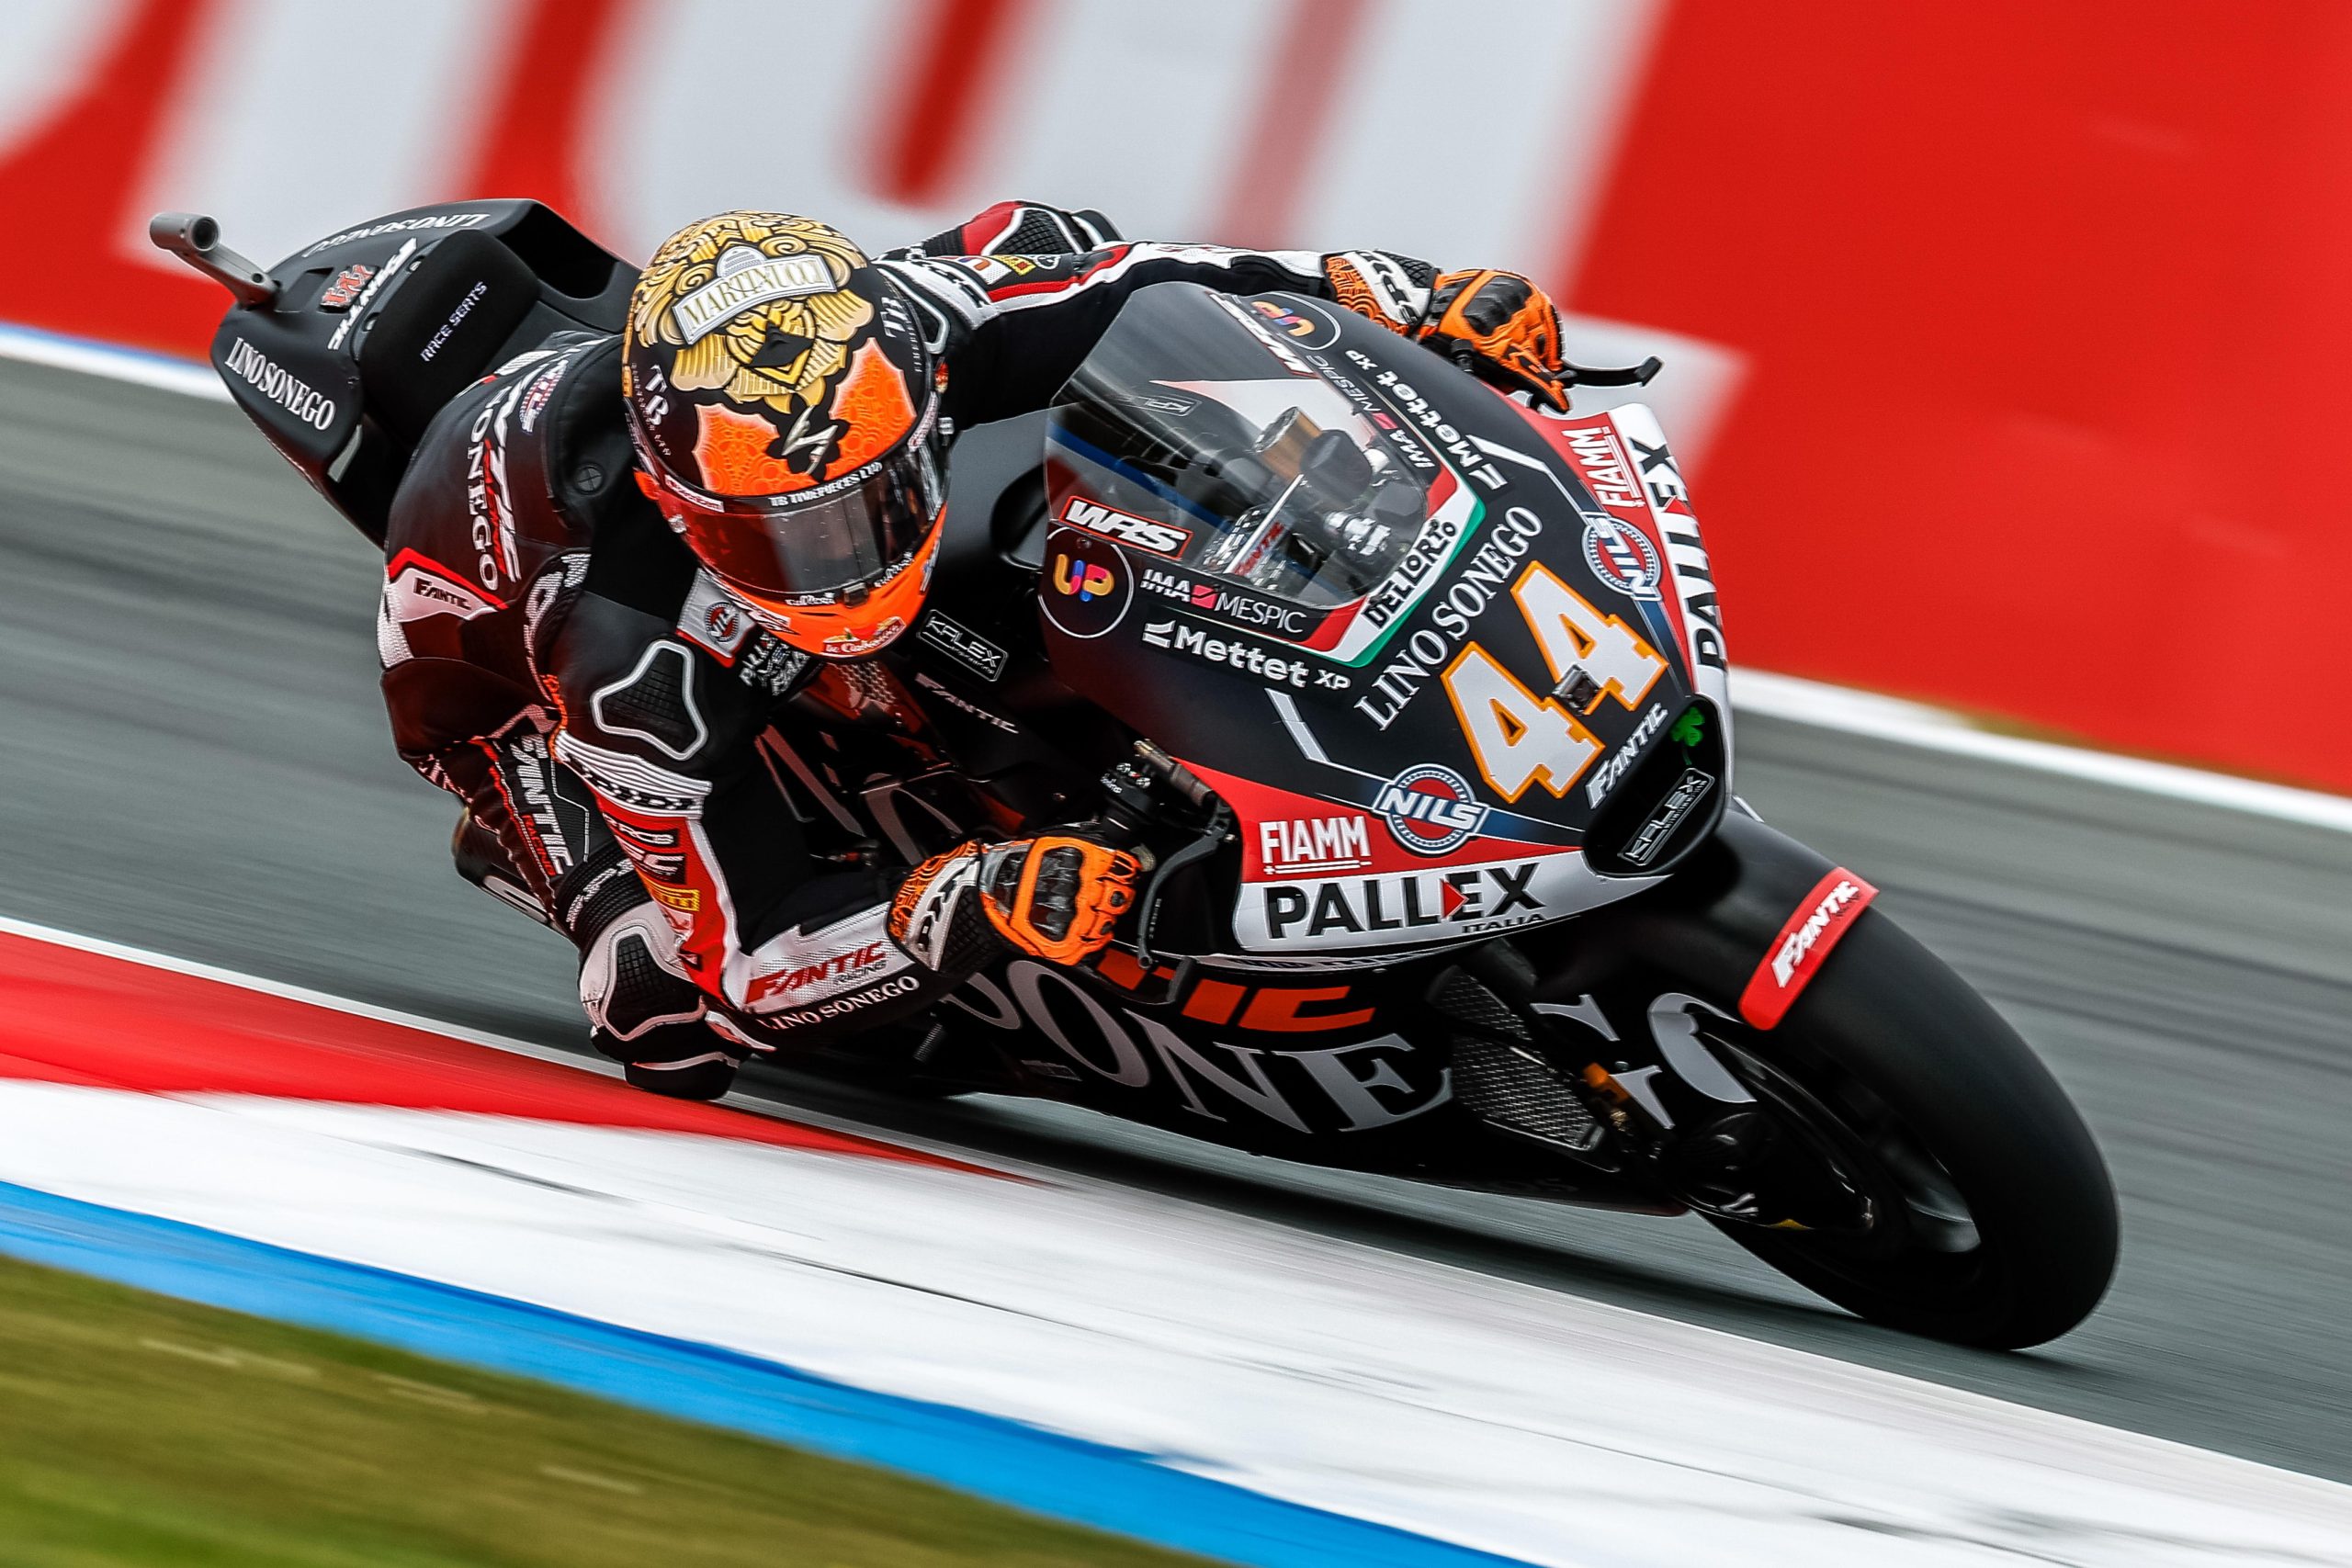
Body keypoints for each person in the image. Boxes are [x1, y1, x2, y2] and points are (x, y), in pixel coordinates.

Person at [377, 200, 1577, 1100]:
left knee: (1057, 250)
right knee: (664, 1013)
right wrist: (968, 903)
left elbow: (1165, 283)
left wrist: (1402, 294)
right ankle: (559, 857)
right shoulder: (624, 658)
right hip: (481, 673)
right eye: (789, 539)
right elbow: (749, 965)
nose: (841, 565)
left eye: (868, 505)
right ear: (684, 506)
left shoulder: (925, 324)